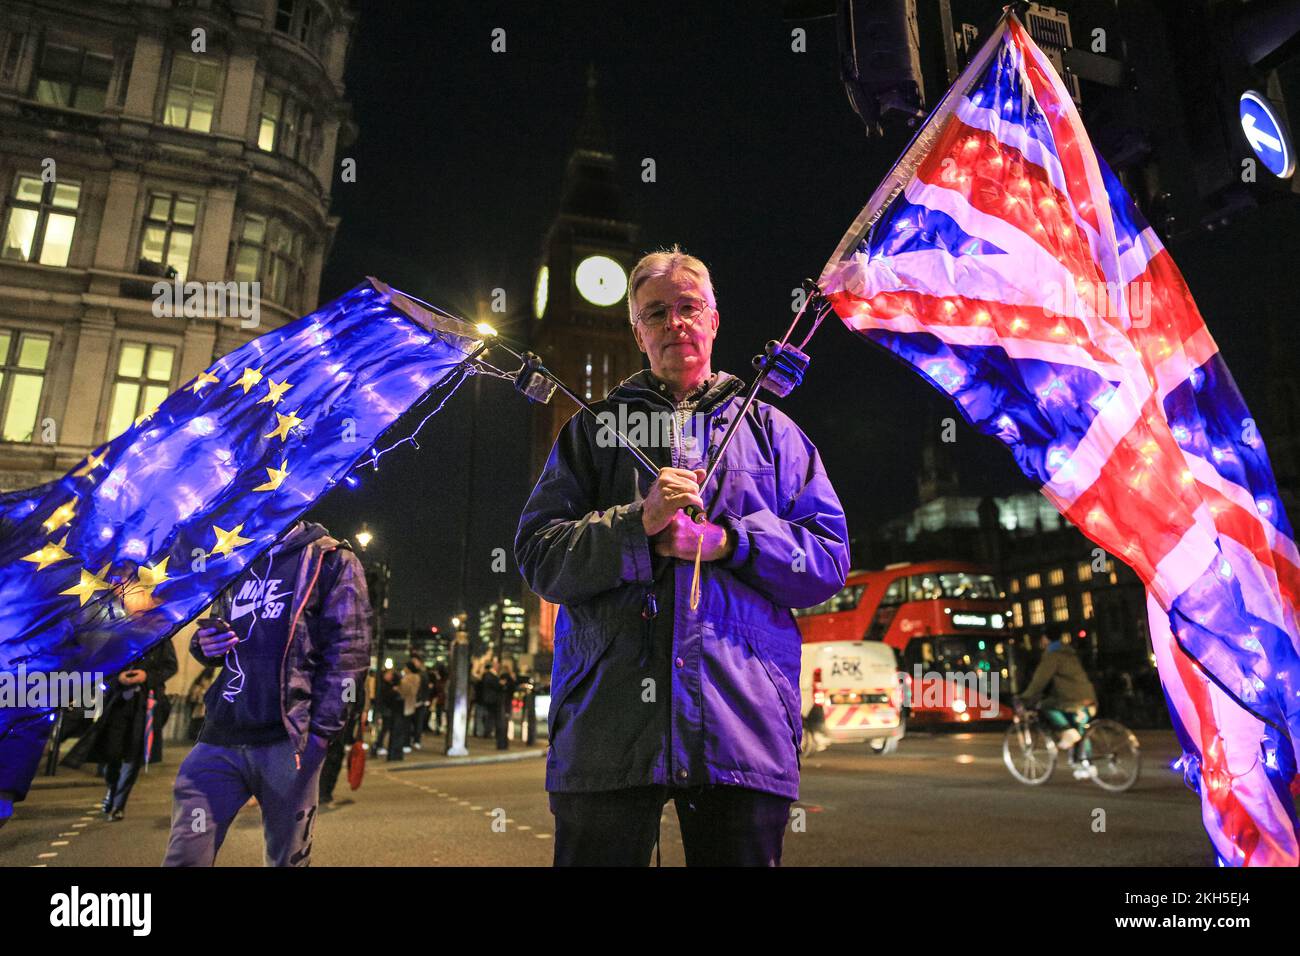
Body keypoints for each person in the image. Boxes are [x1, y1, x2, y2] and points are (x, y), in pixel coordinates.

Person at [515, 247, 850, 866]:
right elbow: (539, 555)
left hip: (741, 724)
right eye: (656, 312)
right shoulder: (592, 431)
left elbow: (826, 560)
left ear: (714, 321)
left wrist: (731, 541)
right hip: (606, 727)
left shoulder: (773, 432)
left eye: (689, 307)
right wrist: (636, 527)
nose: (676, 322)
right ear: (636, 331)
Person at [162, 520, 371, 867]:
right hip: (221, 734)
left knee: (286, 861)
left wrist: (321, 736)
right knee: (184, 854)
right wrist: (205, 645)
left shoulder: (332, 559)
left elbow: (349, 654)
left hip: (287, 740)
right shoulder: (237, 553)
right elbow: (212, 638)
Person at [63, 639, 178, 820]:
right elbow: (104, 665)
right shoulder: (123, 634)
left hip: (143, 705)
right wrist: (118, 677)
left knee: (133, 756)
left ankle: (119, 804)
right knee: (112, 753)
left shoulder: (163, 636)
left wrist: (146, 676)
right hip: (117, 703)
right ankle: (111, 789)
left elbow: (170, 666)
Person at [1018, 635, 1100, 778]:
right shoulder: (1070, 653)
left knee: (1045, 706)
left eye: (1042, 639)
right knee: (1082, 730)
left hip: (1072, 699)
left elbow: (1039, 681)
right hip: (1089, 697)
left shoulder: (1053, 656)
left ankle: (1066, 731)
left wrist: (1025, 697)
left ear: (1045, 639)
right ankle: (1087, 765)